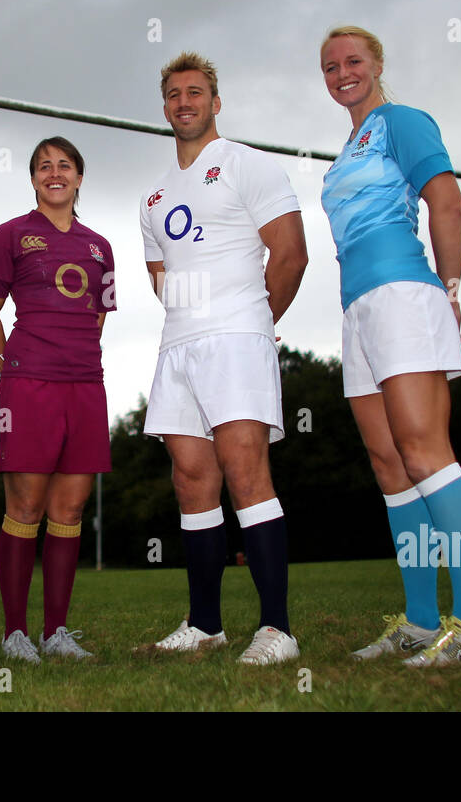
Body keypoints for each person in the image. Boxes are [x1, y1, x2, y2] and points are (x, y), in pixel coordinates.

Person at [317, 26, 461, 665]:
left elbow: (446, 205)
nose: (342, 72)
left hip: (405, 294)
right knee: (390, 465)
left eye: (353, 61)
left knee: (426, 454)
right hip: (358, 309)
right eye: (330, 66)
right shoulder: (346, 149)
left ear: (376, 64)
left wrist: (450, 293)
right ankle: (422, 622)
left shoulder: (402, 121)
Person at [139, 52, 308, 665]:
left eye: (196, 92)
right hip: (178, 346)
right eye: (174, 93)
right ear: (164, 107)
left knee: (245, 470)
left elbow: (290, 254)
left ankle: (277, 630)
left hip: (237, 337)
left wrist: (259, 321)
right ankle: (205, 623)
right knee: (191, 480)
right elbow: (158, 272)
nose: (184, 101)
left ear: (216, 102)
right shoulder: (153, 194)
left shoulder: (248, 165)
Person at [0, 137, 116, 663]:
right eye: (43, 167)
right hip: (28, 386)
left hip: (85, 385)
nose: (54, 174)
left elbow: (100, 316)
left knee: (70, 507)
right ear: (32, 178)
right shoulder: (8, 235)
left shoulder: (101, 245)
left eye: (64, 166)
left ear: (79, 177)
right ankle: (16, 633)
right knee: (25, 506)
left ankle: (56, 633)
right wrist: (14, 370)